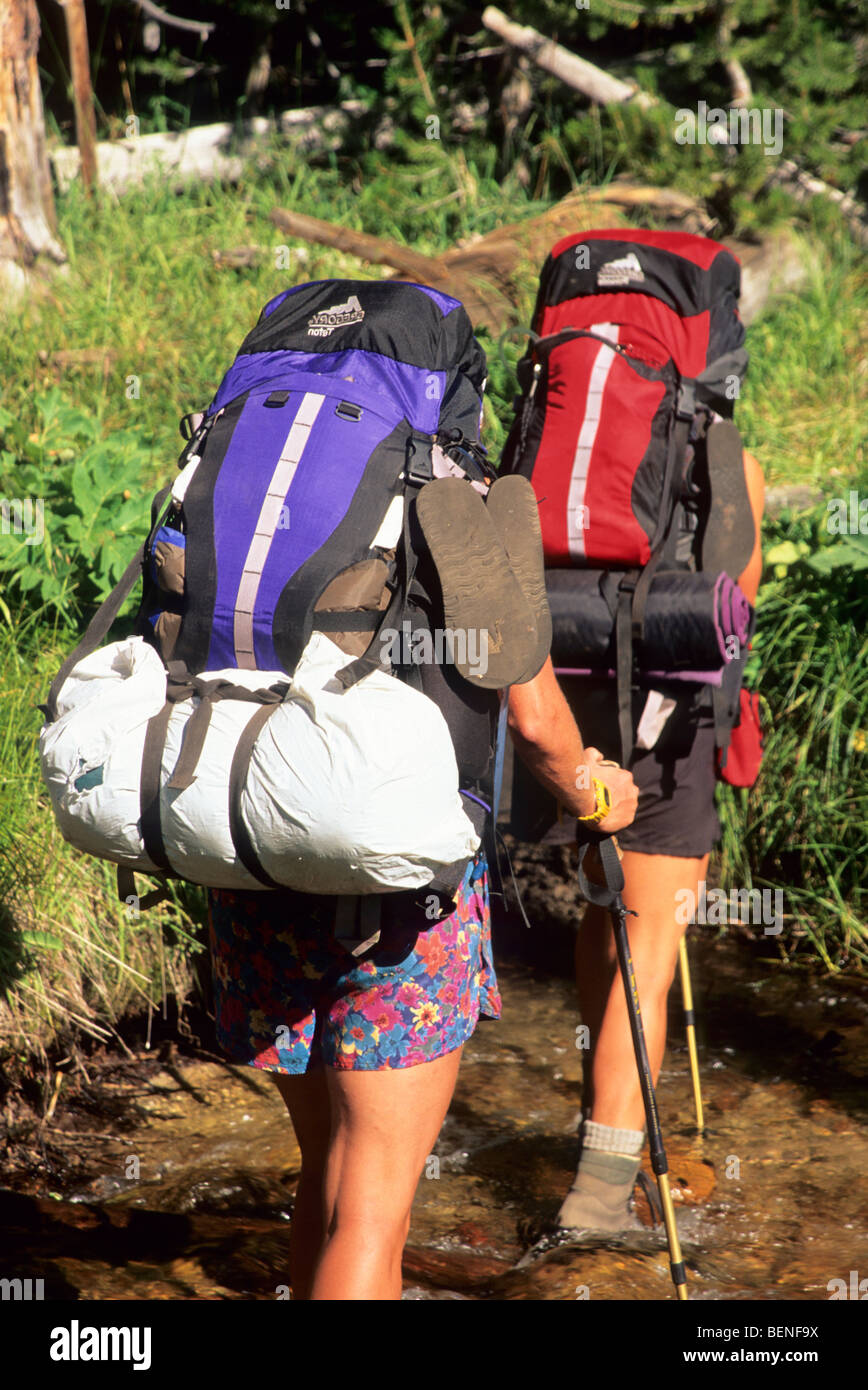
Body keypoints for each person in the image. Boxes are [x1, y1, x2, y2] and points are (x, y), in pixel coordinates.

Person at [206, 489, 639, 1301]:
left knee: (323, 1169)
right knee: (372, 1210)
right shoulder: (462, 514)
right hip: (404, 901)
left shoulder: (260, 488)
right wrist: (604, 797)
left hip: (254, 865)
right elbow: (542, 728)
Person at [509, 448, 765, 1233]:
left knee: (605, 908)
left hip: (550, 674)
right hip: (663, 690)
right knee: (647, 952)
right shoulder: (719, 444)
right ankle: (598, 1196)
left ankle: (606, 1127)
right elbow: (735, 605)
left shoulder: (548, 418)